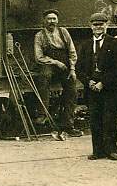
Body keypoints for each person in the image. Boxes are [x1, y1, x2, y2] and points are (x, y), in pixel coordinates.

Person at [76, 11, 117, 160]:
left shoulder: (115, 43)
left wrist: (103, 83)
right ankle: (97, 151)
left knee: (109, 119)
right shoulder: (85, 45)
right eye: (95, 25)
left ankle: (111, 150)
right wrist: (88, 82)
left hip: (109, 88)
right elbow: (79, 68)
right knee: (95, 120)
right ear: (91, 26)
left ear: (106, 25)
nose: (98, 27)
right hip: (92, 89)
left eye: (101, 24)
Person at [33, 9, 82, 139]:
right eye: (49, 19)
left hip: (64, 63)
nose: (51, 21)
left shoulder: (63, 32)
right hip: (49, 63)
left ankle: (68, 125)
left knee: (71, 88)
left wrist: (72, 69)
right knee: (44, 77)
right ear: (44, 21)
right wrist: (55, 62)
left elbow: (72, 51)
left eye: (54, 19)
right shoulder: (39, 36)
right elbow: (39, 57)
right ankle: (42, 114)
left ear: (57, 20)